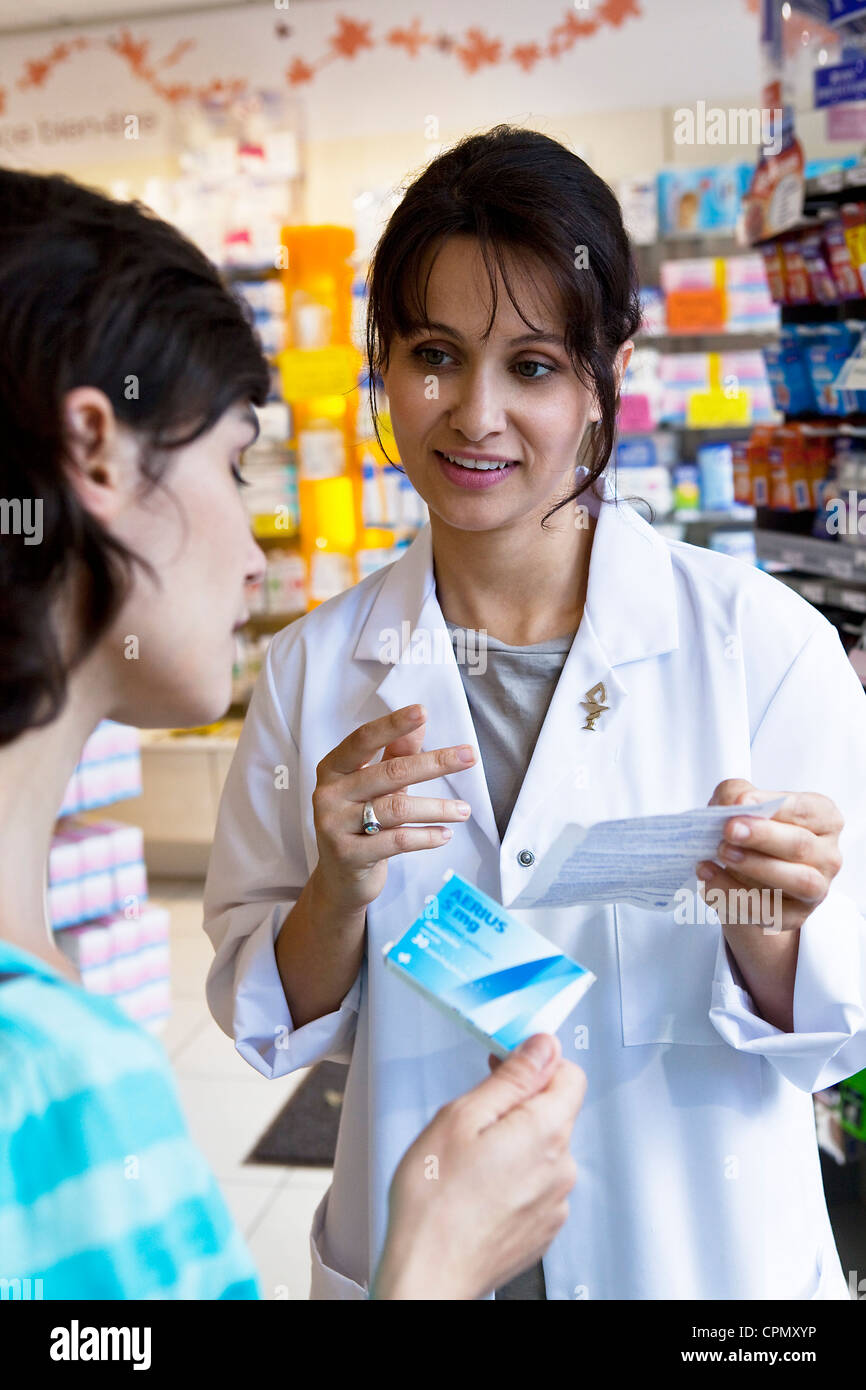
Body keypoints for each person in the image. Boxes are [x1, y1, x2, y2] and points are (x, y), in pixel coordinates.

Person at [204, 125, 866, 1301]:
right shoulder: (316, 673)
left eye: (532, 365)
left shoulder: (761, 651)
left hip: (697, 1267)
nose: (471, 413)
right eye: (432, 354)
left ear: (611, 364)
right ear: (381, 363)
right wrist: (335, 894)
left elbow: (834, 1028)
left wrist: (764, 916)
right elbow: (269, 1020)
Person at [0, 166, 585, 1301]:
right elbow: (266, 1009)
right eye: (231, 463)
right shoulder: (57, 1075)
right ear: (99, 455)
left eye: (530, 364)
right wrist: (430, 1271)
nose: (256, 553)